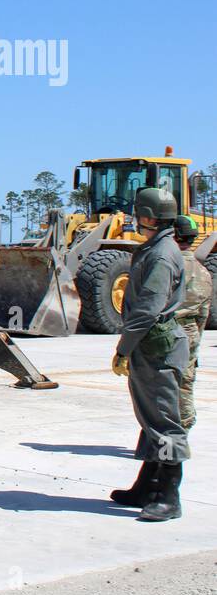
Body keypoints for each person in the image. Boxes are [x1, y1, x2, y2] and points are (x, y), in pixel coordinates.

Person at [108, 187, 189, 522]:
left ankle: (169, 495)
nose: (137, 222)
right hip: (150, 346)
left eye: (140, 216)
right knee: (150, 420)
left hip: (157, 348)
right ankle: (146, 486)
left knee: (164, 423)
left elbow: (147, 309)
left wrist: (123, 348)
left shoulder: (160, 255)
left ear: (150, 217)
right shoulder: (156, 248)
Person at [173, 214, 211, 431]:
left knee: (164, 388)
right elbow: (203, 314)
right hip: (191, 333)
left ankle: (172, 438)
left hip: (169, 334)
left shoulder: (168, 267)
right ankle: (184, 427)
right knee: (185, 384)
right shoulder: (204, 272)